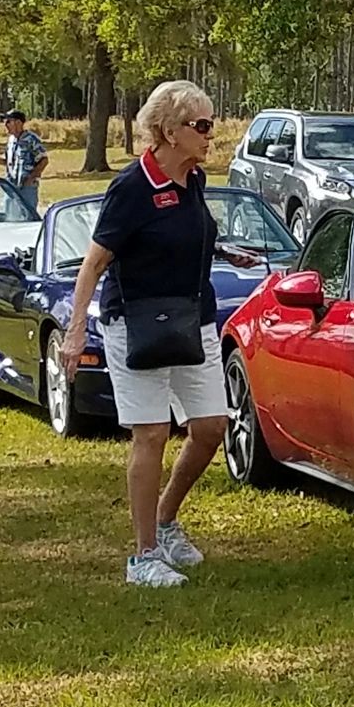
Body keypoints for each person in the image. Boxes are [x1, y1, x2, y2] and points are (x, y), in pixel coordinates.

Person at [60, 81, 225, 588]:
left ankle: (166, 518)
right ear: (168, 131)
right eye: (201, 126)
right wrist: (75, 328)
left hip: (194, 319)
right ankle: (143, 556)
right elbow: (94, 264)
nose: (210, 135)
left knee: (211, 427)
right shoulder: (131, 188)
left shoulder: (192, 180)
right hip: (134, 325)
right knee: (151, 433)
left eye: (210, 125)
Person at [0, 106, 48, 212]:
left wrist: (31, 178)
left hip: (27, 188)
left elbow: (44, 160)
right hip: (11, 186)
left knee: (27, 215)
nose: (6, 125)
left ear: (19, 123)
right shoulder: (10, 140)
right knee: (9, 215)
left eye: (9, 121)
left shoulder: (31, 139)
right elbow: (6, 162)